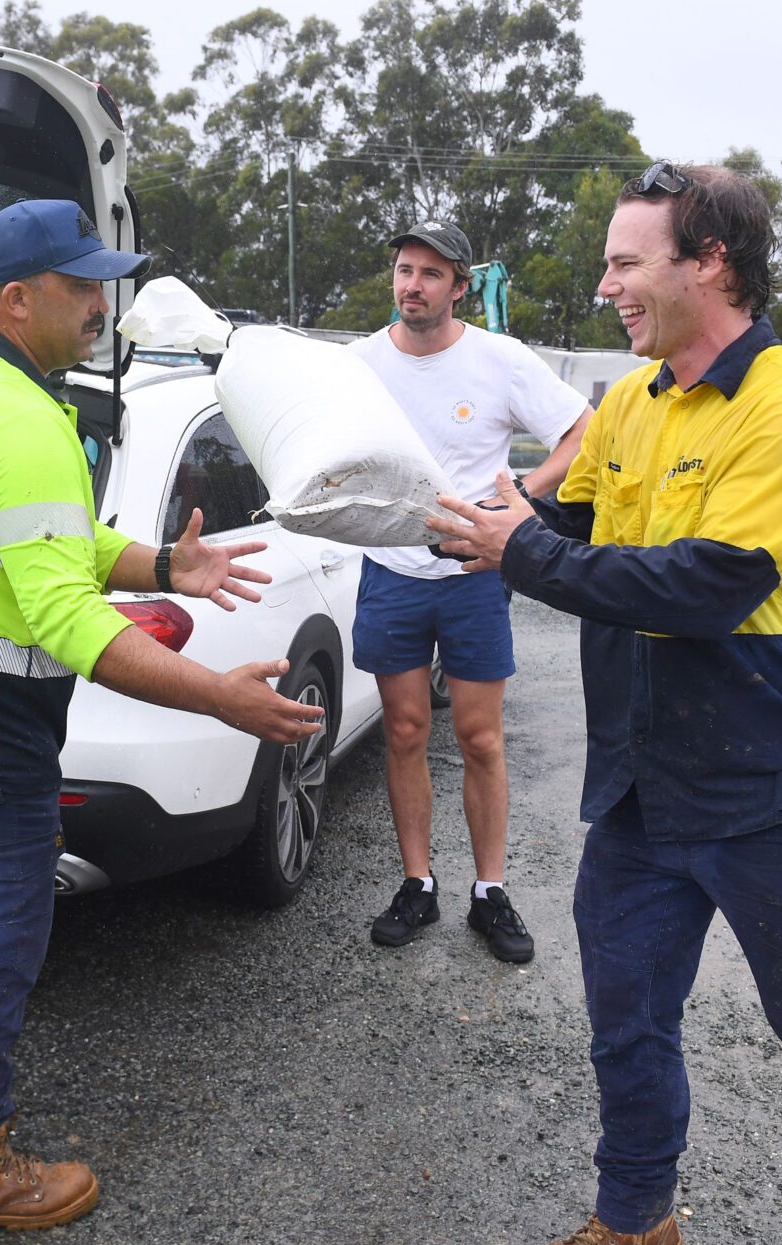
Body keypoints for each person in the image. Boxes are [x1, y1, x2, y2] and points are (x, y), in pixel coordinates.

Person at [429, 163, 782, 1245]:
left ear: (709, 261)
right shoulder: (632, 401)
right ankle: (636, 1226)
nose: (608, 285)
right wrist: (439, 511)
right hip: (641, 789)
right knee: (625, 1018)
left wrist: (518, 548)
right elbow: (556, 522)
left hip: (775, 792)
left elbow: (705, 587)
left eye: (627, 262)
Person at [0, 199, 323, 1233]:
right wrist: (226, 701)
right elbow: (65, 617)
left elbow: (51, 546)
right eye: (81, 284)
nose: (102, 303)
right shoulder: (17, 418)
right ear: (18, 300)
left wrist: (161, 563)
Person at [349, 220, 592, 964]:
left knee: (482, 738)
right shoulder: (359, 364)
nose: (410, 285)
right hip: (391, 568)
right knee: (405, 731)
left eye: (428, 273)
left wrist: (523, 493)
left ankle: (490, 891)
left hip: (473, 573)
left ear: (460, 286)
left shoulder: (500, 359)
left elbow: (585, 430)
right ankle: (417, 883)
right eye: (402, 270)